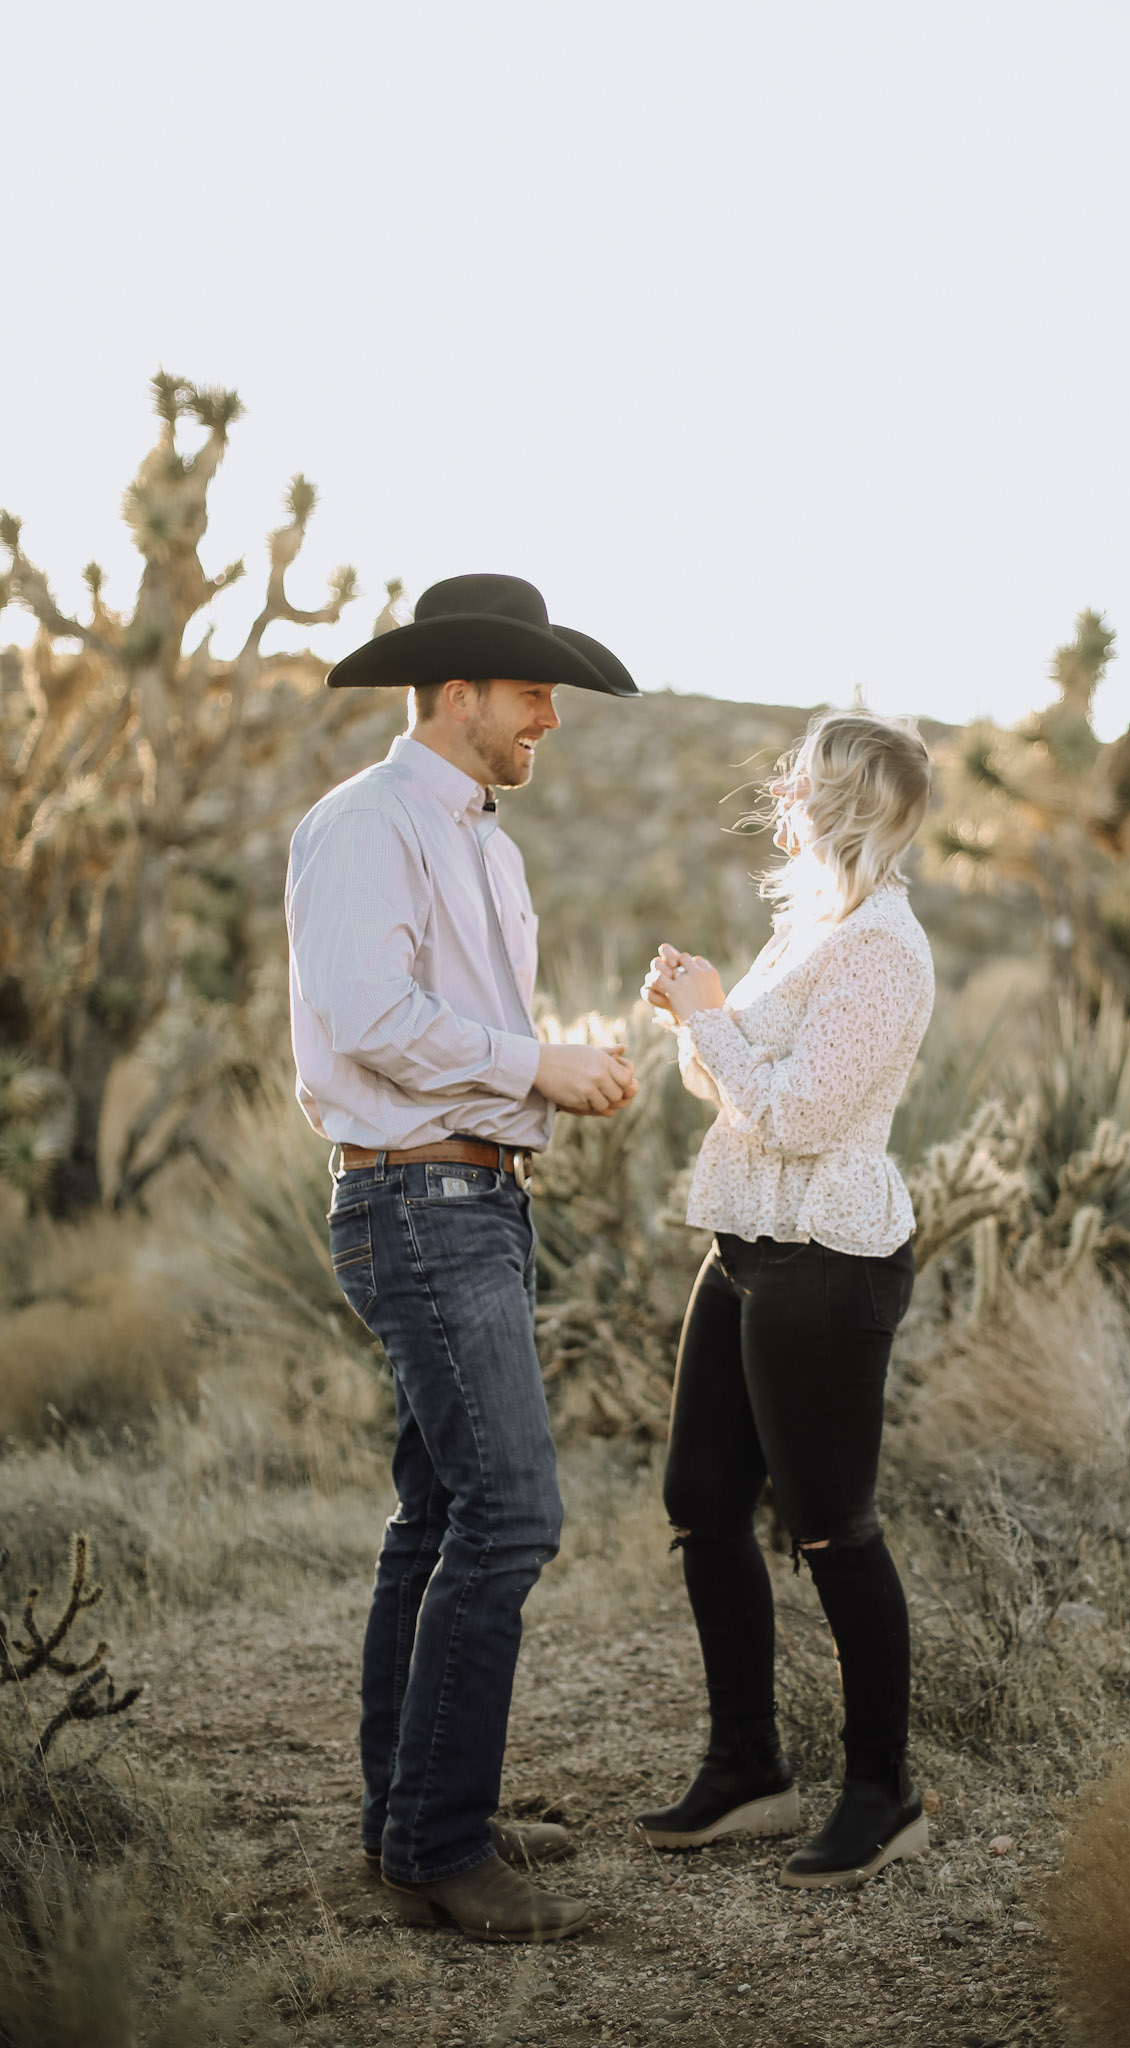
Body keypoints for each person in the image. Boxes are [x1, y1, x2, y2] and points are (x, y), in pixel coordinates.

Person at [285, 574, 640, 1943]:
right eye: (531, 687)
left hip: (477, 1199)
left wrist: (557, 1076)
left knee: (436, 1520)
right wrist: (534, 1065)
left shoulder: (487, 841)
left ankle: (417, 1810)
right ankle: (440, 1839)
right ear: (456, 692)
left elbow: (460, 1033)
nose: (550, 713)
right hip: (417, 1205)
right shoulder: (365, 823)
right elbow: (373, 1015)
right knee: (510, 1515)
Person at [636, 708, 935, 1889]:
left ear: (847, 802)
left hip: (830, 1253)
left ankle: (884, 1791)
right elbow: (723, 1082)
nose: (785, 791)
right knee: (702, 1498)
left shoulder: (884, 948)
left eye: (804, 778)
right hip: (750, 1237)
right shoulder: (808, 926)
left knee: (829, 1524)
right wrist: (696, 1013)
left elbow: (803, 1117)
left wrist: (710, 1012)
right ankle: (748, 1768)